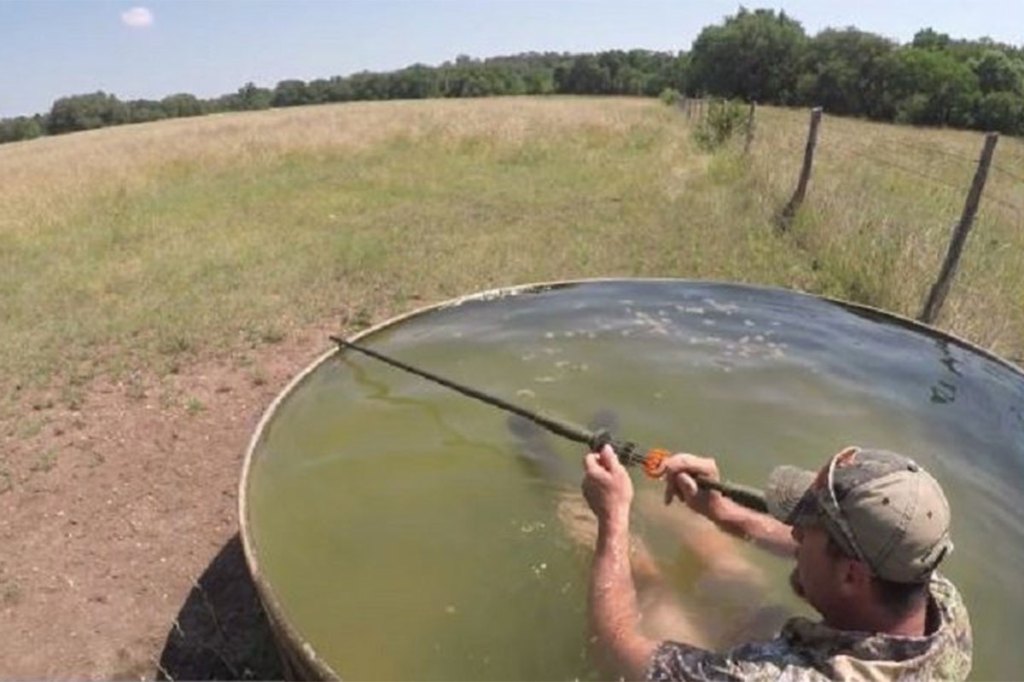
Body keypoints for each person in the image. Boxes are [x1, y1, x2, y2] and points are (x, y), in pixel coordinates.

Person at [581, 444, 972, 681]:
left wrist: (612, 521)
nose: (795, 534)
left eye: (807, 528)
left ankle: (581, 504)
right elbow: (833, 550)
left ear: (852, 575)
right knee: (747, 591)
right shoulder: (940, 601)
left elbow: (619, 648)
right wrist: (722, 512)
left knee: (657, 599)